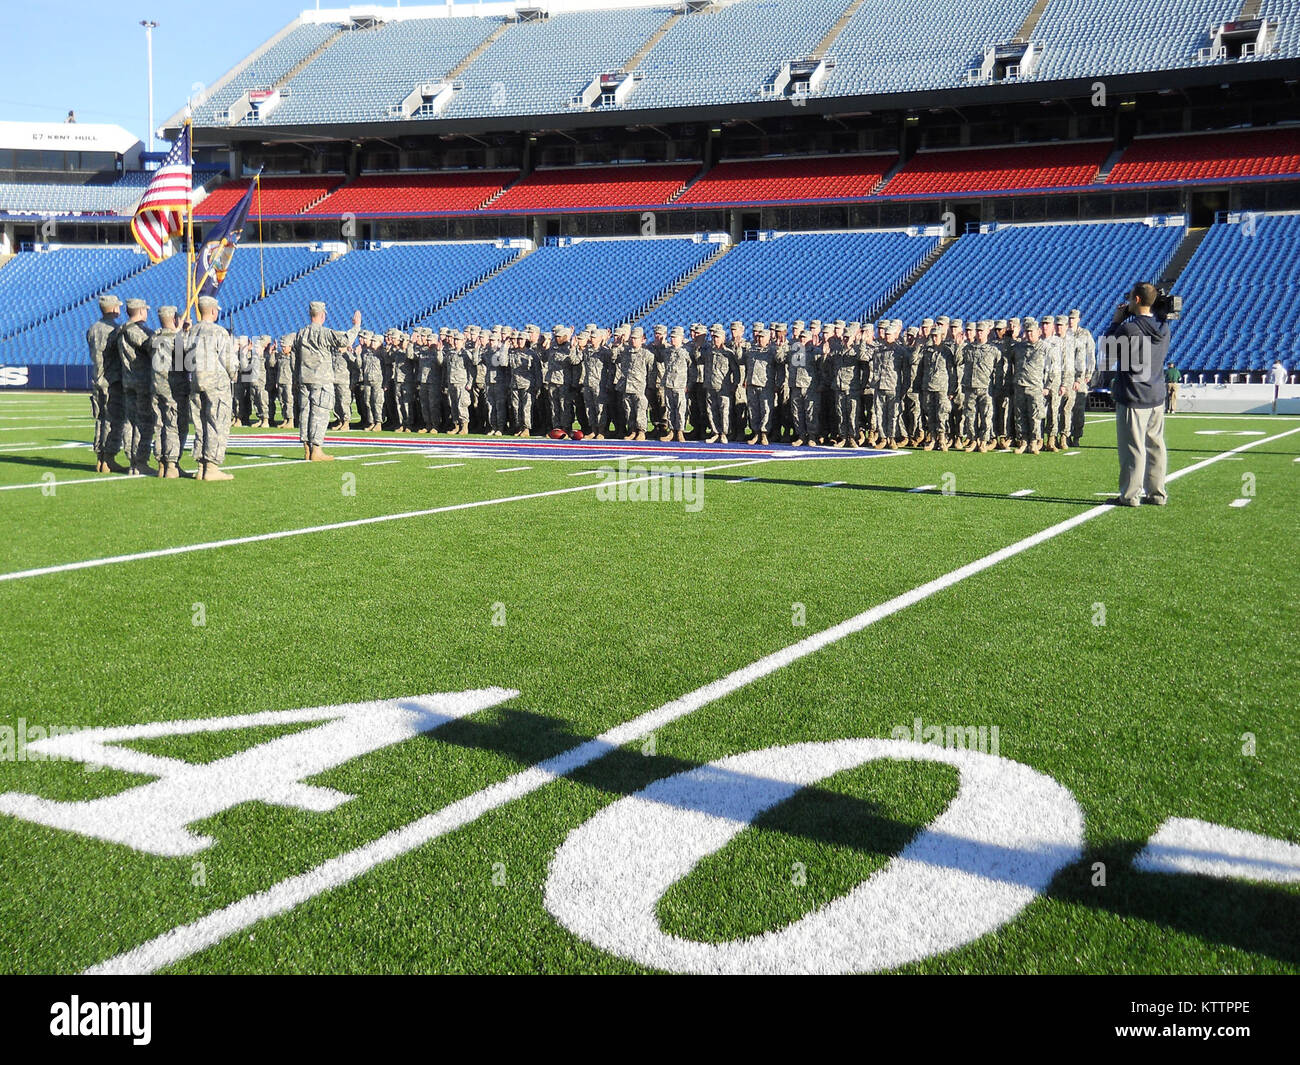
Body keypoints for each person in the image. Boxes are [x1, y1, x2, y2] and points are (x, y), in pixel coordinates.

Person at [1104, 283, 1170, 506]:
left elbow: (1107, 354)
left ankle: (1130, 494)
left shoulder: (1129, 329)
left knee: (1133, 448)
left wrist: (1116, 321)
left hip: (1133, 395)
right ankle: (1157, 493)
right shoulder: (1164, 328)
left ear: (1138, 300)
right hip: (1156, 394)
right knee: (1156, 446)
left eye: (1131, 298)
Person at [293, 301, 362, 461]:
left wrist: (297, 377)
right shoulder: (324, 333)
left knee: (305, 413)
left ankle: (307, 450)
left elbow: (297, 358)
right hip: (321, 379)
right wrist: (356, 326)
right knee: (320, 413)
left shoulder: (301, 333)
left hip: (304, 378)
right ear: (322, 315)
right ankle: (316, 450)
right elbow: (345, 340)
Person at [185, 295, 238, 481]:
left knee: (200, 425)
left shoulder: (191, 331)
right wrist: (234, 373)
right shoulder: (219, 332)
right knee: (217, 422)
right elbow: (229, 361)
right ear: (214, 311)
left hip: (196, 382)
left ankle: (201, 467)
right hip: (216, 383)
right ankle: (212, 467)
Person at [87, 294, 126, 473]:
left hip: (97, 378)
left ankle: (100, 458)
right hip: (113, 380)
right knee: (113, 420)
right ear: (114, 309)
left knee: (100, 419)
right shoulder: (116, 330)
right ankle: (109, 459)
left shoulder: (93, 328)